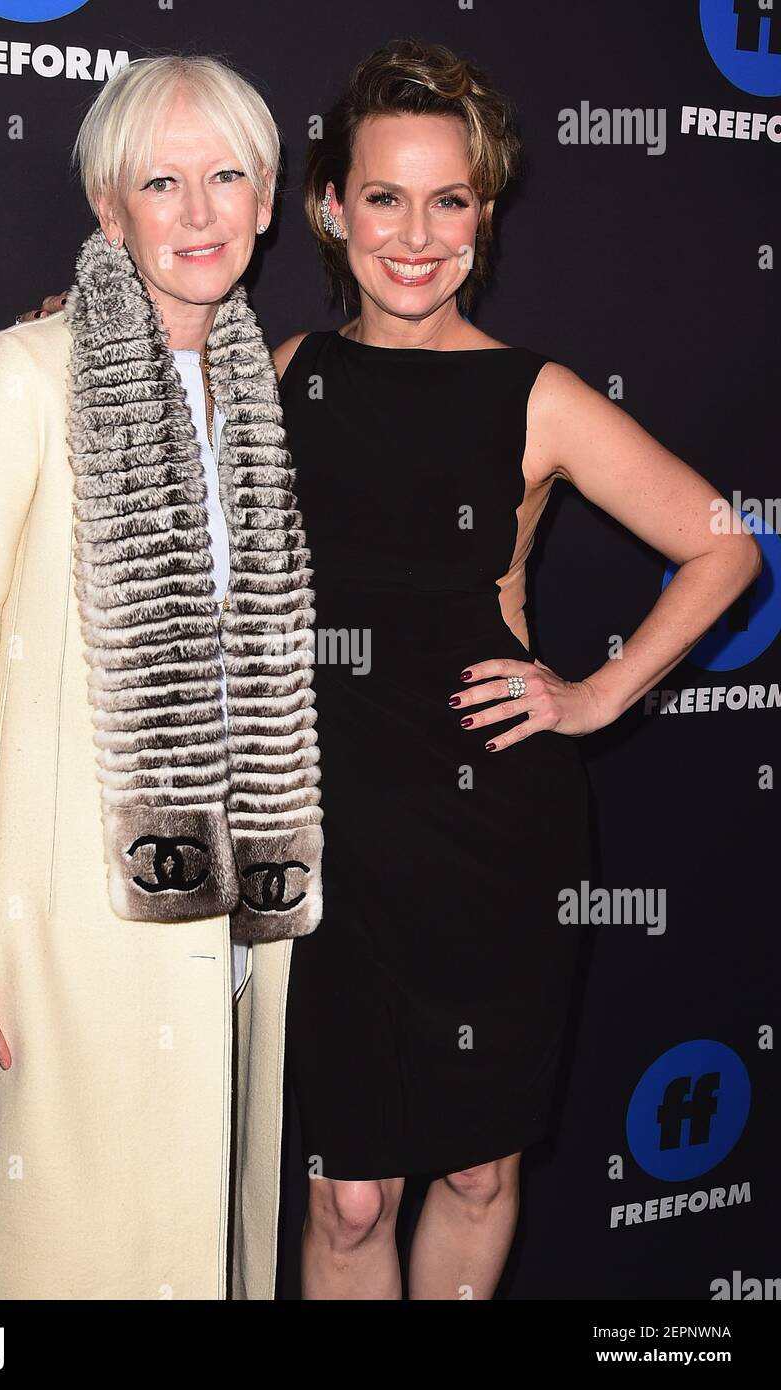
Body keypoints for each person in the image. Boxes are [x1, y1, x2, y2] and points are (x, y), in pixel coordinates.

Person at [269, 38, 761, 1300]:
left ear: (483, 215)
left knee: (480, 1172)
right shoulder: (281, 375)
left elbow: (722, 547)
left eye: (450, 201)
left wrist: (592, 694)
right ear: (333, 207)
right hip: (325, 820)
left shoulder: (533, 393)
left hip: (495, 824)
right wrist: (70, 320)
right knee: (349, 1191)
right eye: (386, 197)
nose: (416, 235)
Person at [0, 53, 322, 1301]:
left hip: (232, 909)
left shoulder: (258, 404)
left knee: (200, 1244)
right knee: (58, 1258)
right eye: (161, 182)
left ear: (264, 201)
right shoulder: (19, 379)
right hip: (58, 931)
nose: (197, 214)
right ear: (107, 204)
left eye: (225, 178)